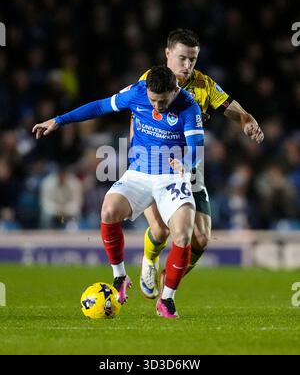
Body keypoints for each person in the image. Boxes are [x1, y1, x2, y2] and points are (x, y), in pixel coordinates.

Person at [32, 65, 204, 318]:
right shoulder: (137, 93)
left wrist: (186, 164)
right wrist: (58, 121)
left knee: (183, 231)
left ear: (174, 90)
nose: (156, 106)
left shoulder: (189, 106)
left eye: (162, 101)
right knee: (109, 210)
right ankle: (120, 277)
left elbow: (197, 147)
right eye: (153, 101)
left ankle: (167, 300)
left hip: (172, 175)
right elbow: (100, 106)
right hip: (139, 173)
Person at [136, 29, 265, 299]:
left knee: (202, 239)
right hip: (152, 164)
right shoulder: (152, 81)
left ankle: (170, 275)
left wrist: (247, 120)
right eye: (182, 58)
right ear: (167, 53)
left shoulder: (203, 84)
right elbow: (133, 115)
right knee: (160, 231)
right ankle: (149, 260)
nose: (187, 66)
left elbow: (231, 107)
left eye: (192, 60)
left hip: (189, 169)